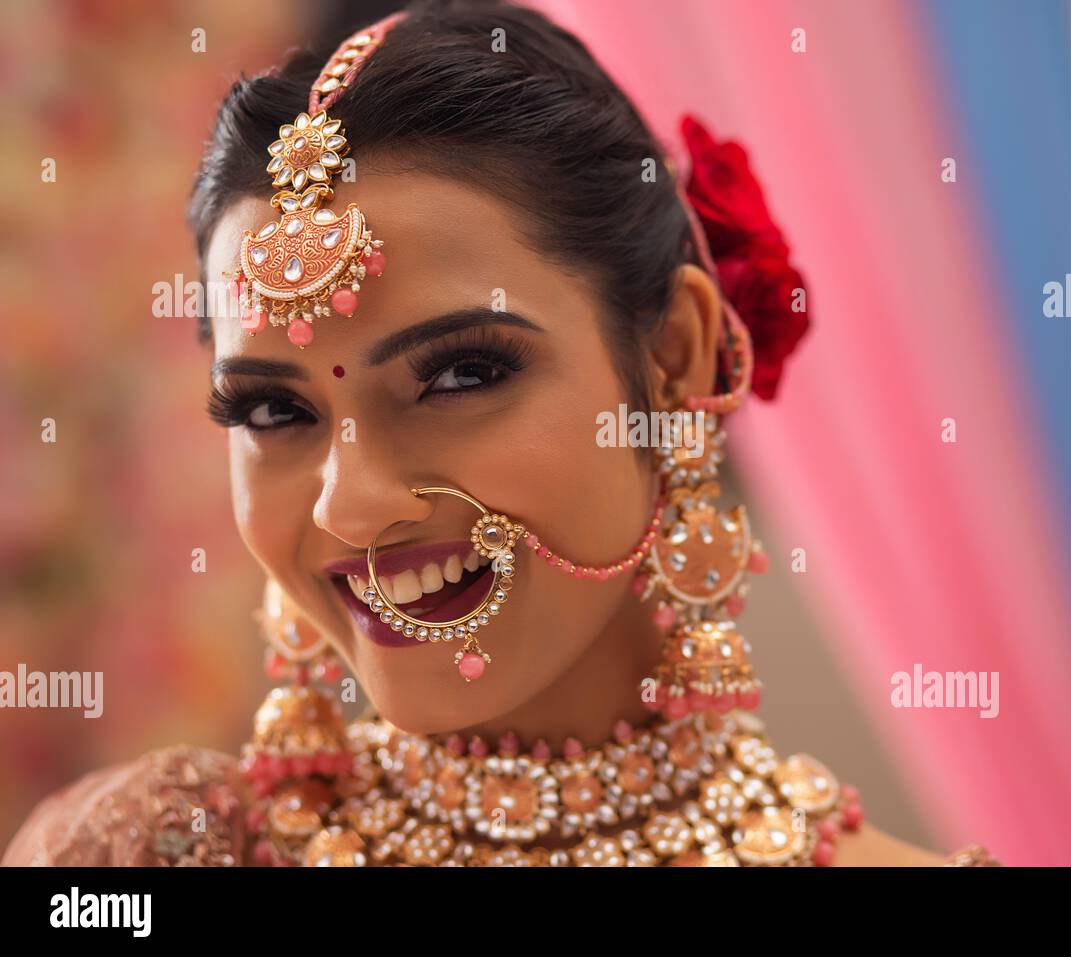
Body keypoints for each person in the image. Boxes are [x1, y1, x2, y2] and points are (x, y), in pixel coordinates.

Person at [4, 0, 997, 867]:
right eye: (276, 410)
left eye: (461, 375)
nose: (350, 504)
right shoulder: (145, 857)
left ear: (677, 357)